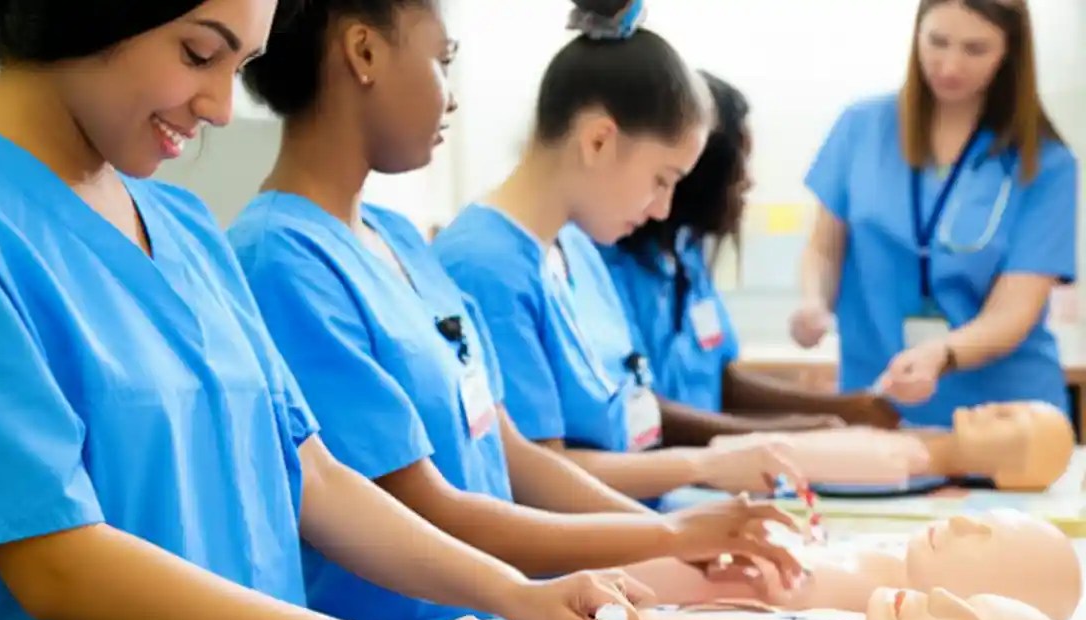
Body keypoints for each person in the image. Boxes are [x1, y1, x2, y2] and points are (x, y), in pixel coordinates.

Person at [0, 2, 661, 620]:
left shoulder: (183, 227)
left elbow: (313, 478)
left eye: (241, 63)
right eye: (198, 53)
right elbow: (59, 564)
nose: (222, 106)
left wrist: (515, 593)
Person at [229, 0, 806, 620]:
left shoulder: (399, 241)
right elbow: (426, 507)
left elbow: (516, 457)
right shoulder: (280, 260)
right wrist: (669, 530)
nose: (451, 99)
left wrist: (679, 537)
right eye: (442, 59)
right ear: (363, 53)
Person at [433, 9, 806, 509]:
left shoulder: (581, 249)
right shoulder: (483, 267)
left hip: (641, 524)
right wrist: (705, 466)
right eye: (662, 179)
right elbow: (534, 477)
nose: (664, 209)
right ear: (598, 141)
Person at [790, 0, 1078, 428]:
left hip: (1005, 417)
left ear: (1010, 52)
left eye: (975, 49)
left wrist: (941, 354)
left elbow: (1014, 310)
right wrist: (813, 301)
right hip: (879, 403)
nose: (948, 65)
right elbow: (825, 250)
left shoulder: (1046, 163)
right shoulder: (861, 127)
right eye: (937, 41)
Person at [603, 71, 900, 447]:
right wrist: (791, 432)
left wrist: (846, 408)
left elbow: (719, 382)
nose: (748, 181)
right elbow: (637, 408)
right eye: (740, 162)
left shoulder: (684, 255)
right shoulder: (607, 266)